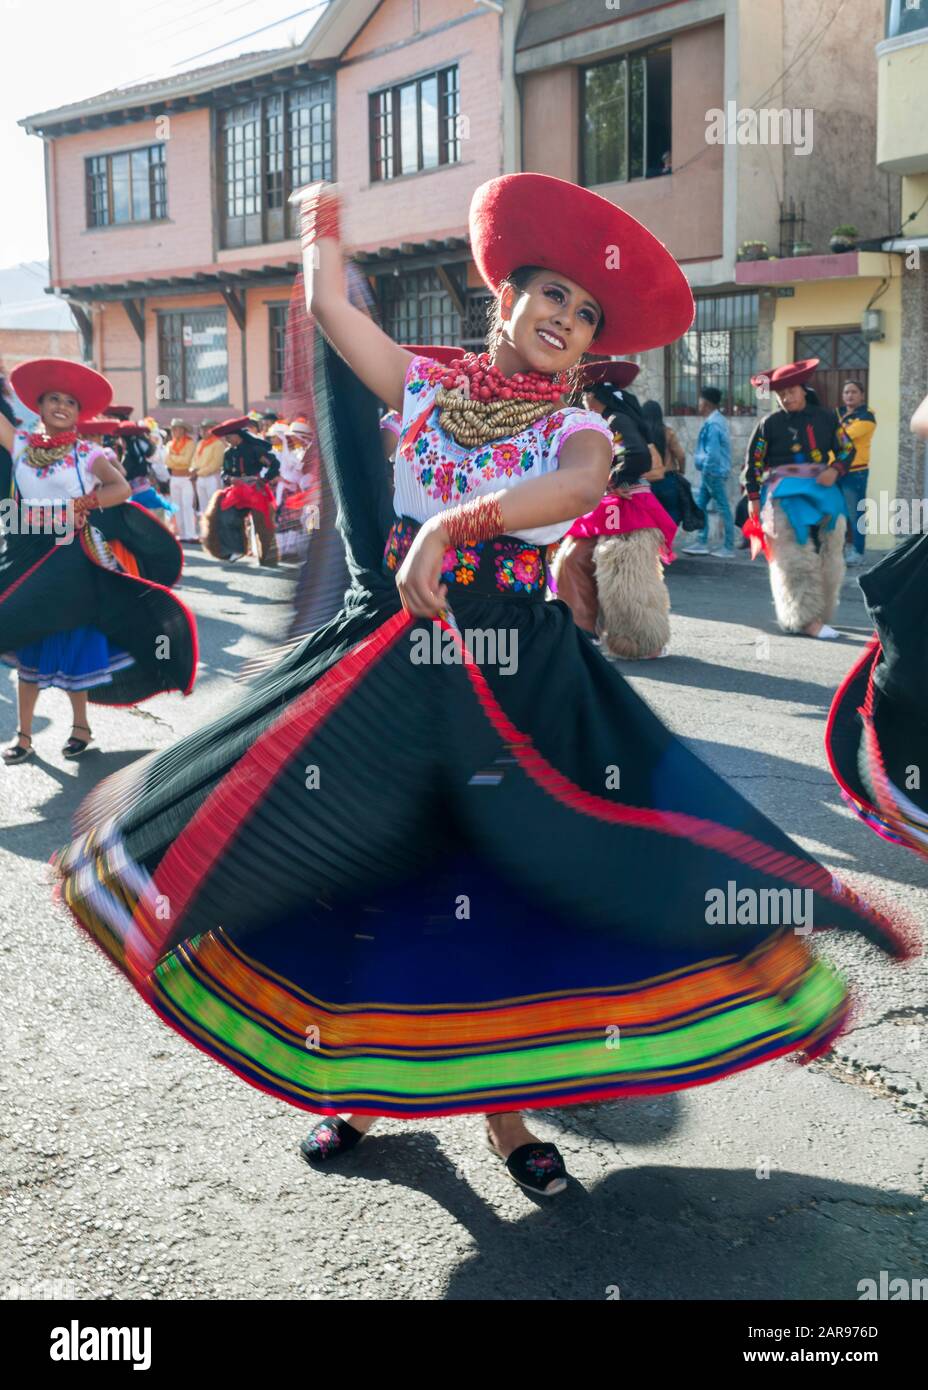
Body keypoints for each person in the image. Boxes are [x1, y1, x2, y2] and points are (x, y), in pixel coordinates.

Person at [54, 175, 910, 1201]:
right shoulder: (423, 383)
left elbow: (581, 487)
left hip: (510, 685)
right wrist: (317, 232)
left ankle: (507, 1119)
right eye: (551, 294)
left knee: (501, 886)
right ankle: (366, 1089)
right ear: (501, 297)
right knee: (369, 873)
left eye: (586, 314)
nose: (566, 319)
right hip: (387, 673)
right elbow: (332, 312)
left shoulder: (574, 429)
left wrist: (454, 525)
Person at [0, 359, 197, 764]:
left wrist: (82, 503)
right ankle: (23, 735)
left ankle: (80, 727)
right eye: (53, 399)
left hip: (70, 556)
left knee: (73, 641)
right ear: (38, 406)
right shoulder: (20, 442)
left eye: (70, 402)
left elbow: (121, 488)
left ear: (78, 413)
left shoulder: (87, 452)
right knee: (26, 639)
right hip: (26, 551)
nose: (61, 406)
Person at [549, 361, 676, 657]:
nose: (582, 402)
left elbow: (637, 457)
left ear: (596, 397)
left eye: (585, 396)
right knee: (573, 557)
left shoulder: (615, 419)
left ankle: (641, 640)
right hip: (609, 508)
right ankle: (581, 629)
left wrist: (615, 477)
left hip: (628, 507)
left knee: (623, 572)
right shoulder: (606, 421)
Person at [743, 358, 853, 639]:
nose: (785, 397)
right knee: (792, 555)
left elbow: (846, 449)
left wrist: (835, 469)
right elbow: (753, 463)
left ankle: (821, 613)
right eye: (780, 393)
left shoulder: (826, 418)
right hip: (783, 495)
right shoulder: (769, 424)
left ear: (803, 389)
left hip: (823, 490)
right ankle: (805, 619)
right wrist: (753, 497)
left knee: (831, 551)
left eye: (790, 391)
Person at [200, 417, 280, 564]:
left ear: (237, 435)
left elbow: (274, 464)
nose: (227, 440)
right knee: (225, 515)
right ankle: (235, 550)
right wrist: (230, 479)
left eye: (229, 437)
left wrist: (264, 480)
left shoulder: (255, 449)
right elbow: (224, 472)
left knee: (262, 523)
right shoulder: (228, 453)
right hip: (237, 490)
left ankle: (268, 557)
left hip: (255, 488)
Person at [683, 386, 735, 557]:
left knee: (722, 508)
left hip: (713, 473)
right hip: (712, 472)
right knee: (700, 506)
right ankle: (702, 541)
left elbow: (712, 453)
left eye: (699, 402)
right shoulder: (716, 421)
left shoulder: (713, 424)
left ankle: (728, 547)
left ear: (705, 403)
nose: (698, 405)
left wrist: (706, 471)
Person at [836, 381, 876, 566]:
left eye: (853, 392)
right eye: (846, 392)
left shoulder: (867, 417)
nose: (849, 395)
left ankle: (858, 553)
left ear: (862, 395)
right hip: (835, 471)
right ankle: (838, 551)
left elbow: (844, 437)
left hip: (855, 472)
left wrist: (830, 430)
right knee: (837, 514)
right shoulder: (838, 413)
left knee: (855, 515)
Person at [165, 419, 197, 541]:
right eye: (173, 429)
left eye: (177, 428)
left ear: (183, 430)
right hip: (174, 477)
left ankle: (191, 533)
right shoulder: (169, 444)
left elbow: (186, 460)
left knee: (187, 505)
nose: (174, 431)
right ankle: (181, 533)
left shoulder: (190, 443)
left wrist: (173, 458)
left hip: (186, 477)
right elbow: (166, 461)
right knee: (176, 506)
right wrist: (176, 458)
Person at [188, 419, 225, 517]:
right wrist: (193, 469)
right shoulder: (200, 443)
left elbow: (216, 464)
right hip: (200, 478)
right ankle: (206, 529)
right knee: (203, 506)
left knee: (214, 505)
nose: (203, 431)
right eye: (202, 429)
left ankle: (216, 529)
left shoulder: (218, 444)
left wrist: (199, 472)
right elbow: (195, 459)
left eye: (207, 429)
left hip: (212, 477)